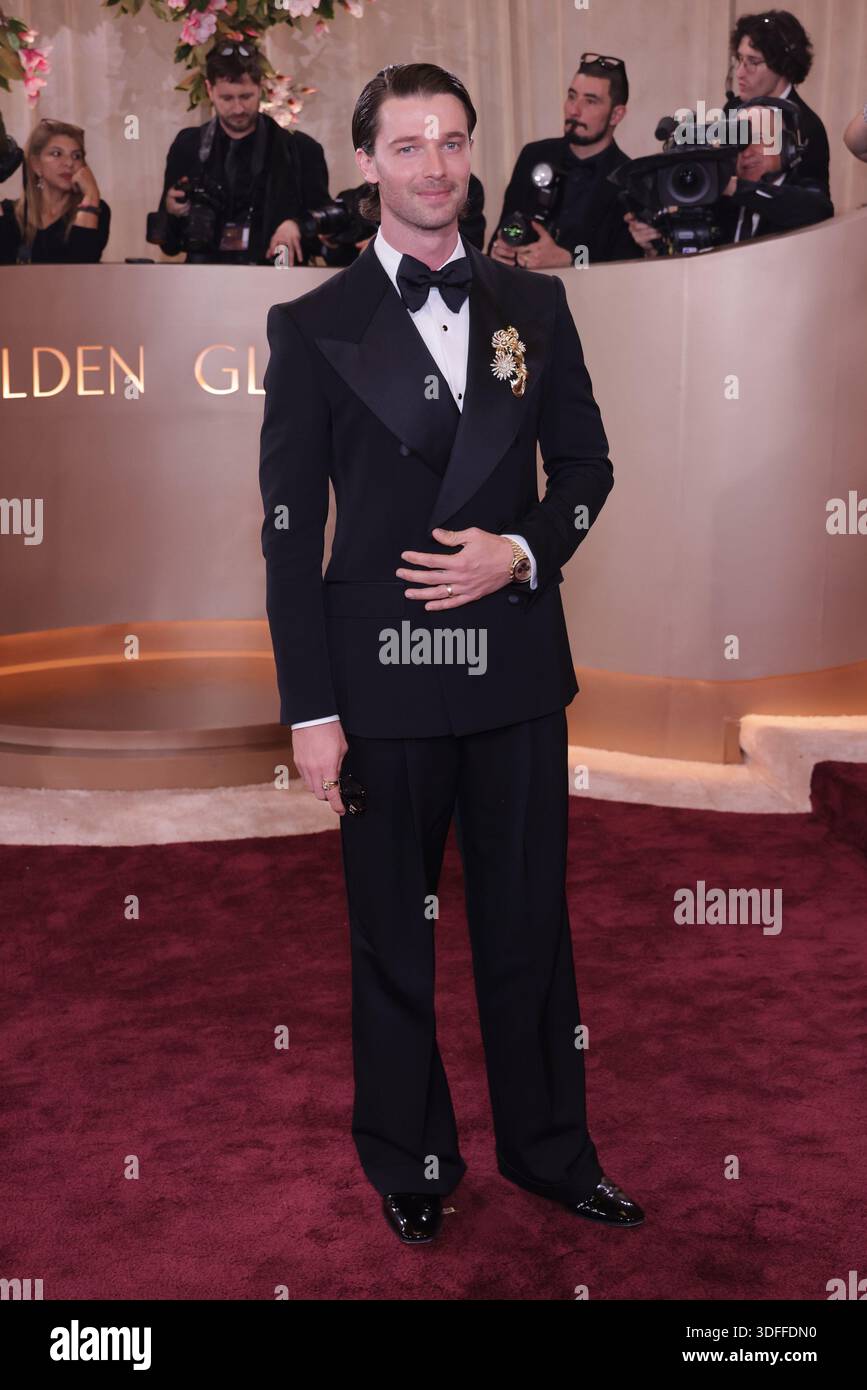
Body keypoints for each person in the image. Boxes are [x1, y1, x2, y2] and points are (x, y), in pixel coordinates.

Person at [258, 61, 644, 1244]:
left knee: (531, 924)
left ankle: (548, 1150)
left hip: (516, 664)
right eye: (409, 144)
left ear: (475, 154)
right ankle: (413, 1158)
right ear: (367, 162)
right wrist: (309, 712)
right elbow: (285, 534)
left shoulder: (538, 307)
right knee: (392, 931)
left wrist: (518, 552)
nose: (436, 165)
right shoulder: (313, 325)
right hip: (379, 678)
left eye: (454, 141)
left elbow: (588, 470)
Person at [153, 42, 331, 265]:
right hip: (204, 281)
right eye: (227, 98)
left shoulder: (301, 149)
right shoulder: (188, 146)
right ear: (209, 90)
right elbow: (168, 246)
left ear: (261, 88)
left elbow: (329, 225)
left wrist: (297, 225)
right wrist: (172, 212)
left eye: (246, 96)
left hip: (277, 281)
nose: (238, 108)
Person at [487, 54, 642, 269]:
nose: (573, 110)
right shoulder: (533, 155)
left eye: (590, 101)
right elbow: (504, 231)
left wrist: (571, 259)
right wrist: (499, 251)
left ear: (616, 115)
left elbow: (628, 263)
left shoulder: (630, 179)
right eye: (571, 96)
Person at [625, 99, 833, 256]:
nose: (747, 151)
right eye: (739, 143)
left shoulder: (806, 192)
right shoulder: (717, 204)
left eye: (759, 139)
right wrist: (653, 245)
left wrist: (730, 185)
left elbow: (814, 210)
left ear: (787, 148)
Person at [724, 9, 830, 195]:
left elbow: (814, 207)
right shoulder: (733, 109)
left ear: (782, 65)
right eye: (740, 59)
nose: (740, 73)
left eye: (753, 62)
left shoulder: (807, 127)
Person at [0, 118, 110, 264]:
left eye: (76, 156)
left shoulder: (96, 209)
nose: (69, 163)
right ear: (36, 164)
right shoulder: (10, 214)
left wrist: (91, 193)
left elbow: (83, 269)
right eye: (57, 154)